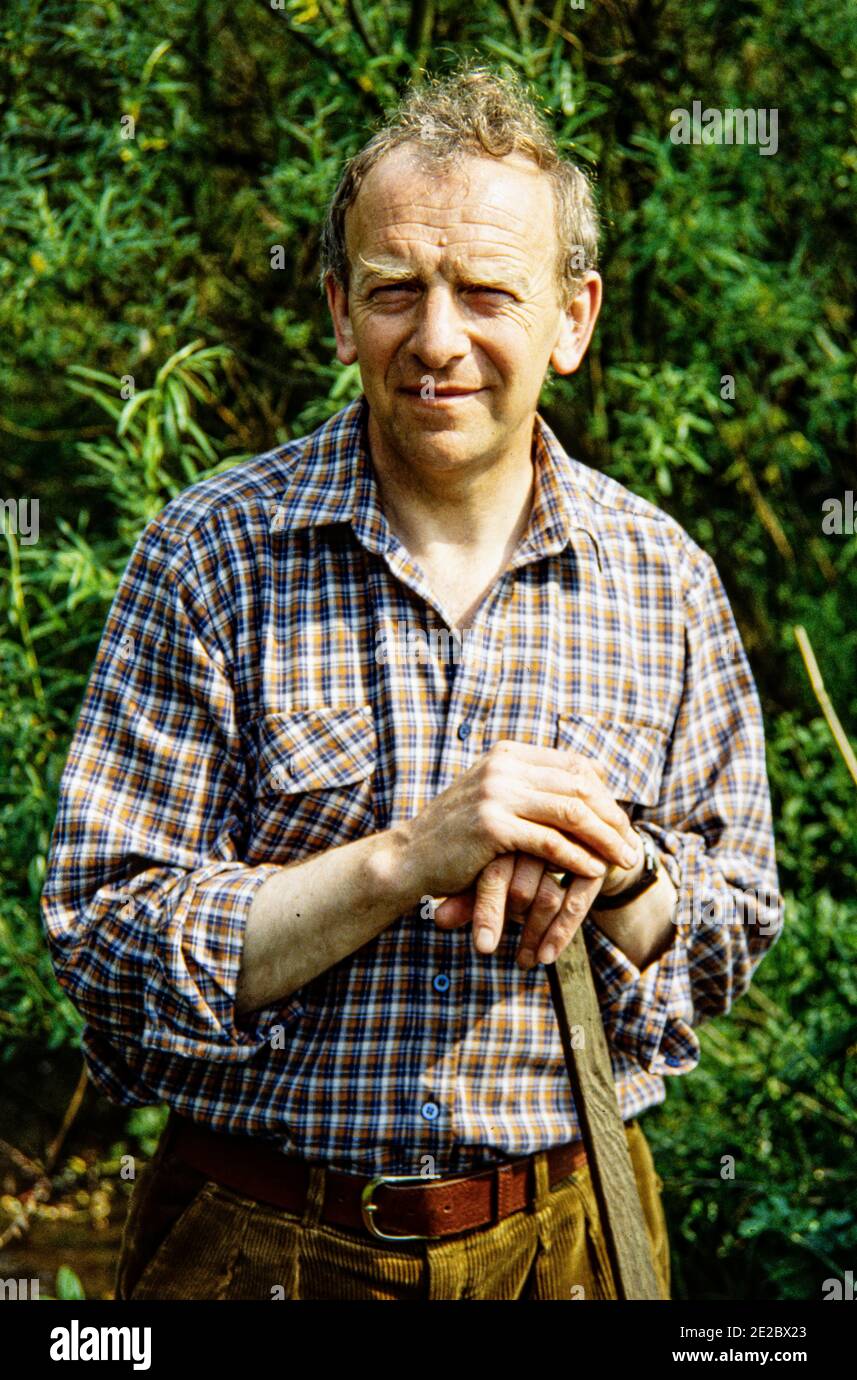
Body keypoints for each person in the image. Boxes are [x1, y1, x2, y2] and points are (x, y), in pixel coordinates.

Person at [40, 65, 782, 1301]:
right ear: (339, 312)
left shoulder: (663, 579)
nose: (437, 339)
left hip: (567, 1240)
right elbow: (106, 944)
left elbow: (725, 941)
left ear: (572, 318)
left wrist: (621, 873)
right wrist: (400, 862)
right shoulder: (209, 554)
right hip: (259, 1243)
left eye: (488, 292)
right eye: (395, 292)